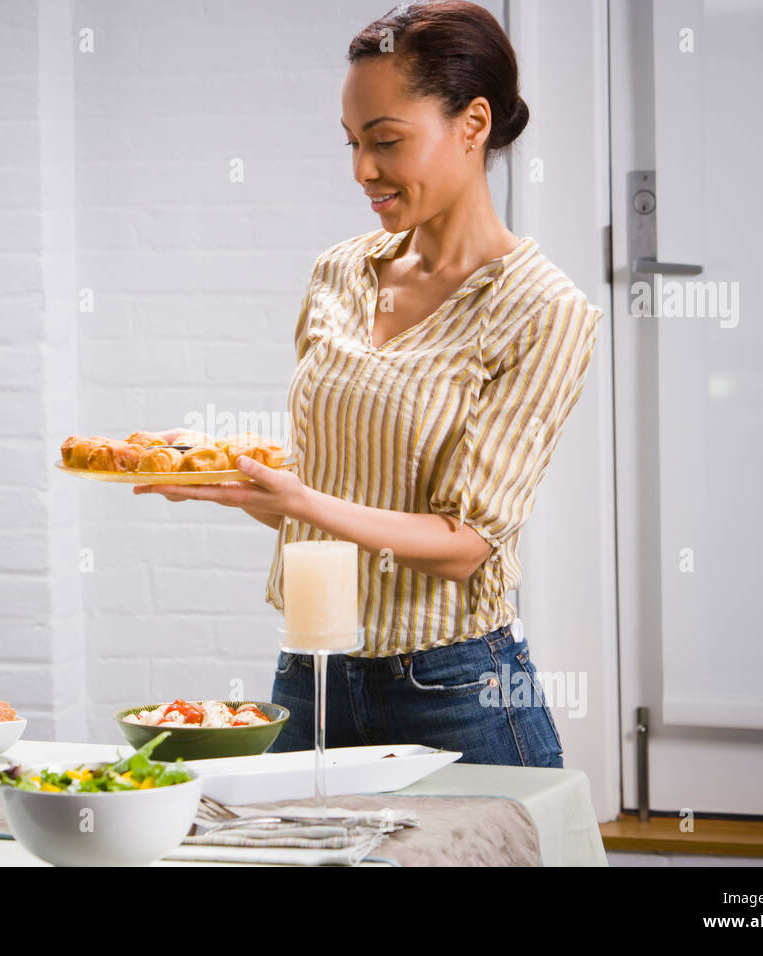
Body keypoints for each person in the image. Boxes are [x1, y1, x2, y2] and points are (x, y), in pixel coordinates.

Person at [134, 1, 602, 768]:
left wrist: (300, 501)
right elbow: (331, 494)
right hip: (310, 673)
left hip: (452, 688)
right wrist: (241, 484)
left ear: (473, 124)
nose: (362, 172)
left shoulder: (543, 309)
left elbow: (464, 545)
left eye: (386, 142)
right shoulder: (341, 274)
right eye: (353, 143)